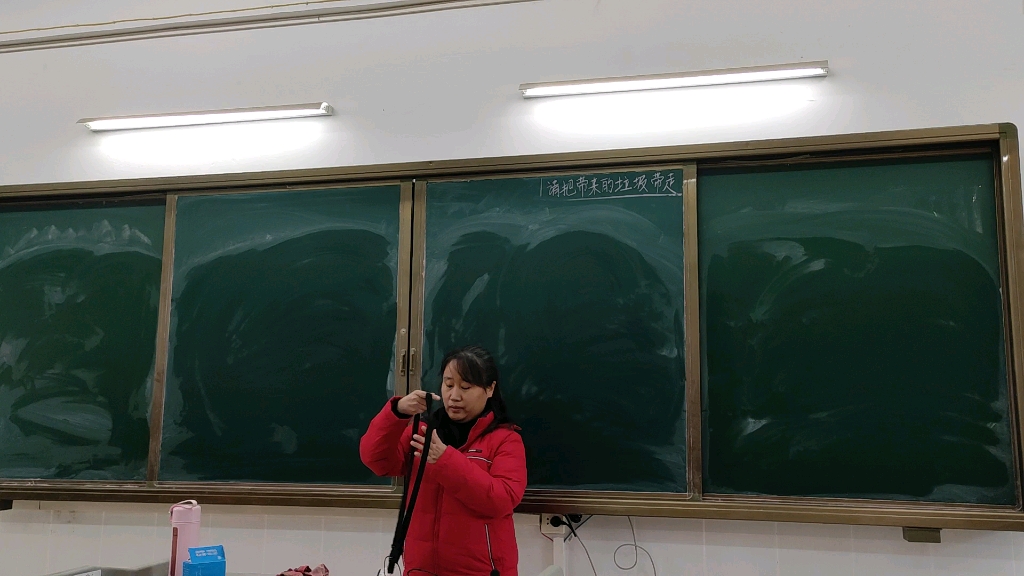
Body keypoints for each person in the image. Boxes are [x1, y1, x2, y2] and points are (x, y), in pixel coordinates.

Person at [360, 345, 527, 576]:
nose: (454, 396)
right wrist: (396, 412)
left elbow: (502, 500)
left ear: (490, 389)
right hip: (421, 569)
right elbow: (377, 460)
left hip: (481, 571)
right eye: (448, 385)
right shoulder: (423, 431)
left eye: (465, 387)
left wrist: (446, 460)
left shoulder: (506, 439)